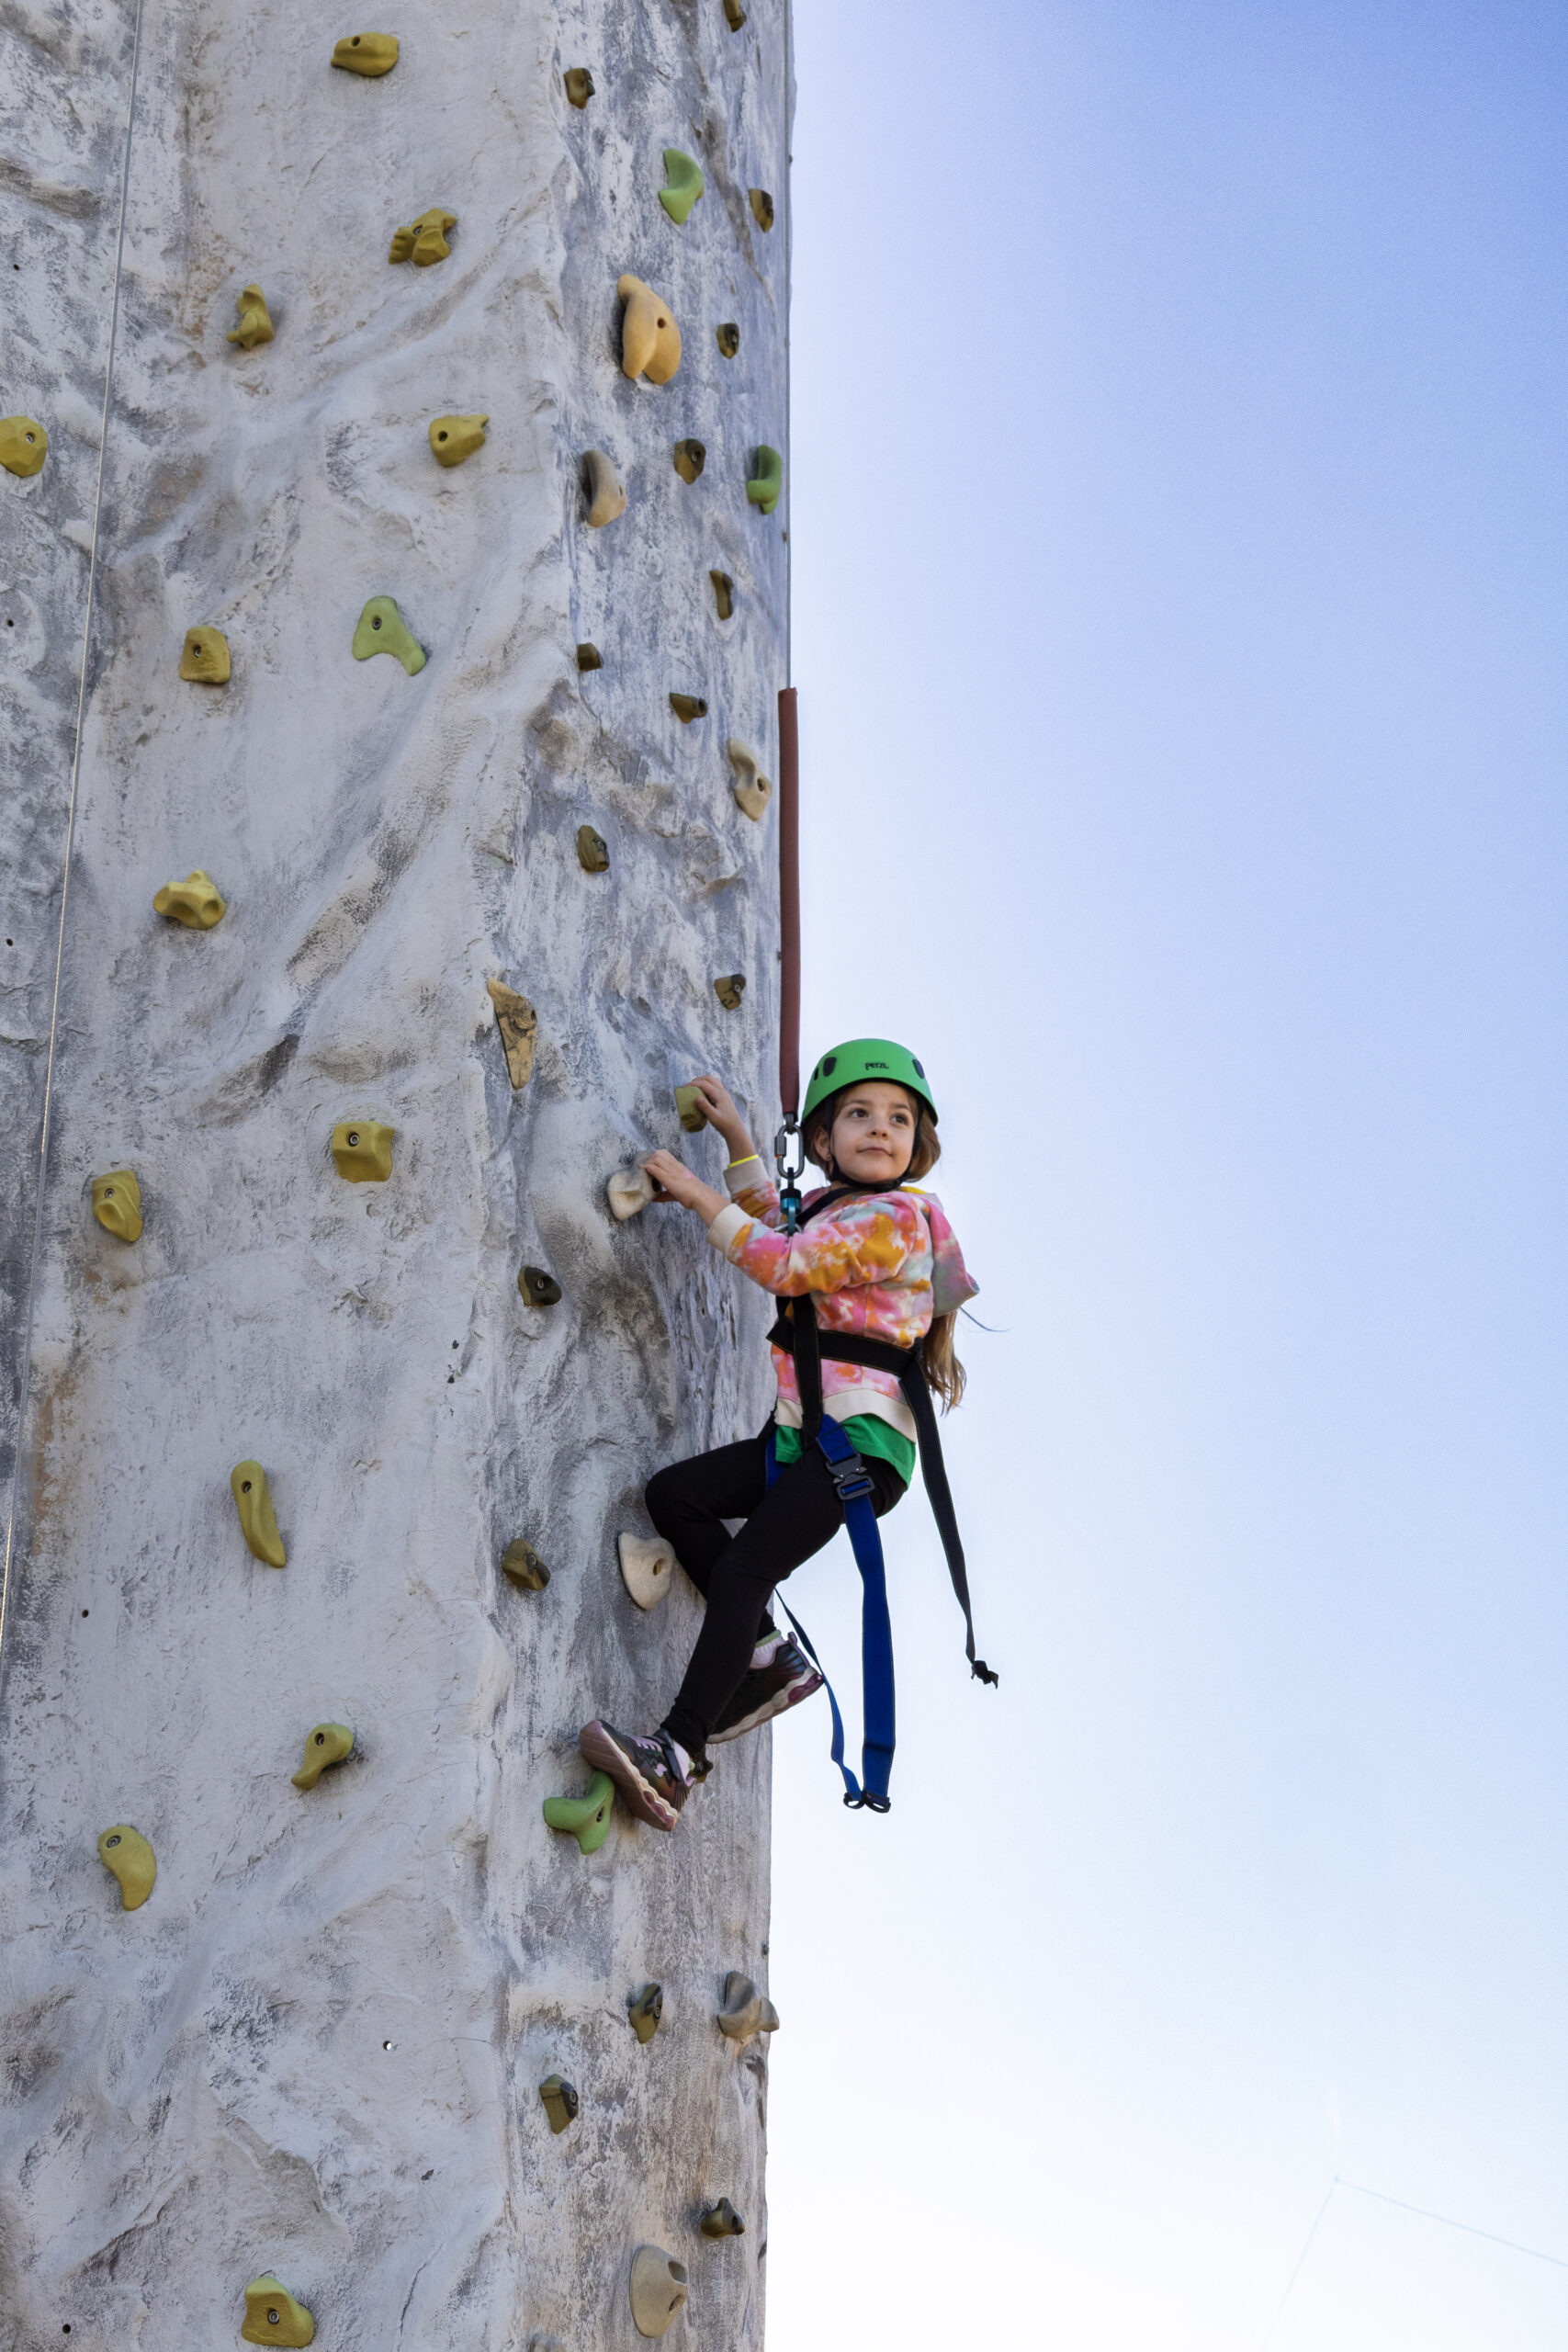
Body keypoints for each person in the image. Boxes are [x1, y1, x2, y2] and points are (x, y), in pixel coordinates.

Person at [579, 1038, 980, 1831]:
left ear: (916, 1144)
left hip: (860, 1445)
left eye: (897, 1119)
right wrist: (737, 1142)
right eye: (859, 1114)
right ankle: (766, 1656)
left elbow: (786, 1265)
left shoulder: (895, 1218)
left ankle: (675, 1757)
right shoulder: (839, 1212)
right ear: (824, 1140)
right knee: (677, 1497)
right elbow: (780, 1225)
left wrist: (696, 1193)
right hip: (807, 1437)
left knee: (744, 1570)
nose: (880, 1127)